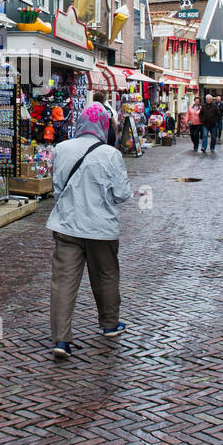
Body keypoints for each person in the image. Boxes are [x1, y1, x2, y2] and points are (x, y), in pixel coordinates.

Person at [46, 102, 131, 359]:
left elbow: (57, 188)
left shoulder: (61, 149)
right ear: (104, 126)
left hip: (67, 225)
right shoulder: (111, 154)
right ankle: (109, 324)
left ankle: (61, 339)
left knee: (62, 282)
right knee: (105, 276)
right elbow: (122, 194)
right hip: (101, 228)